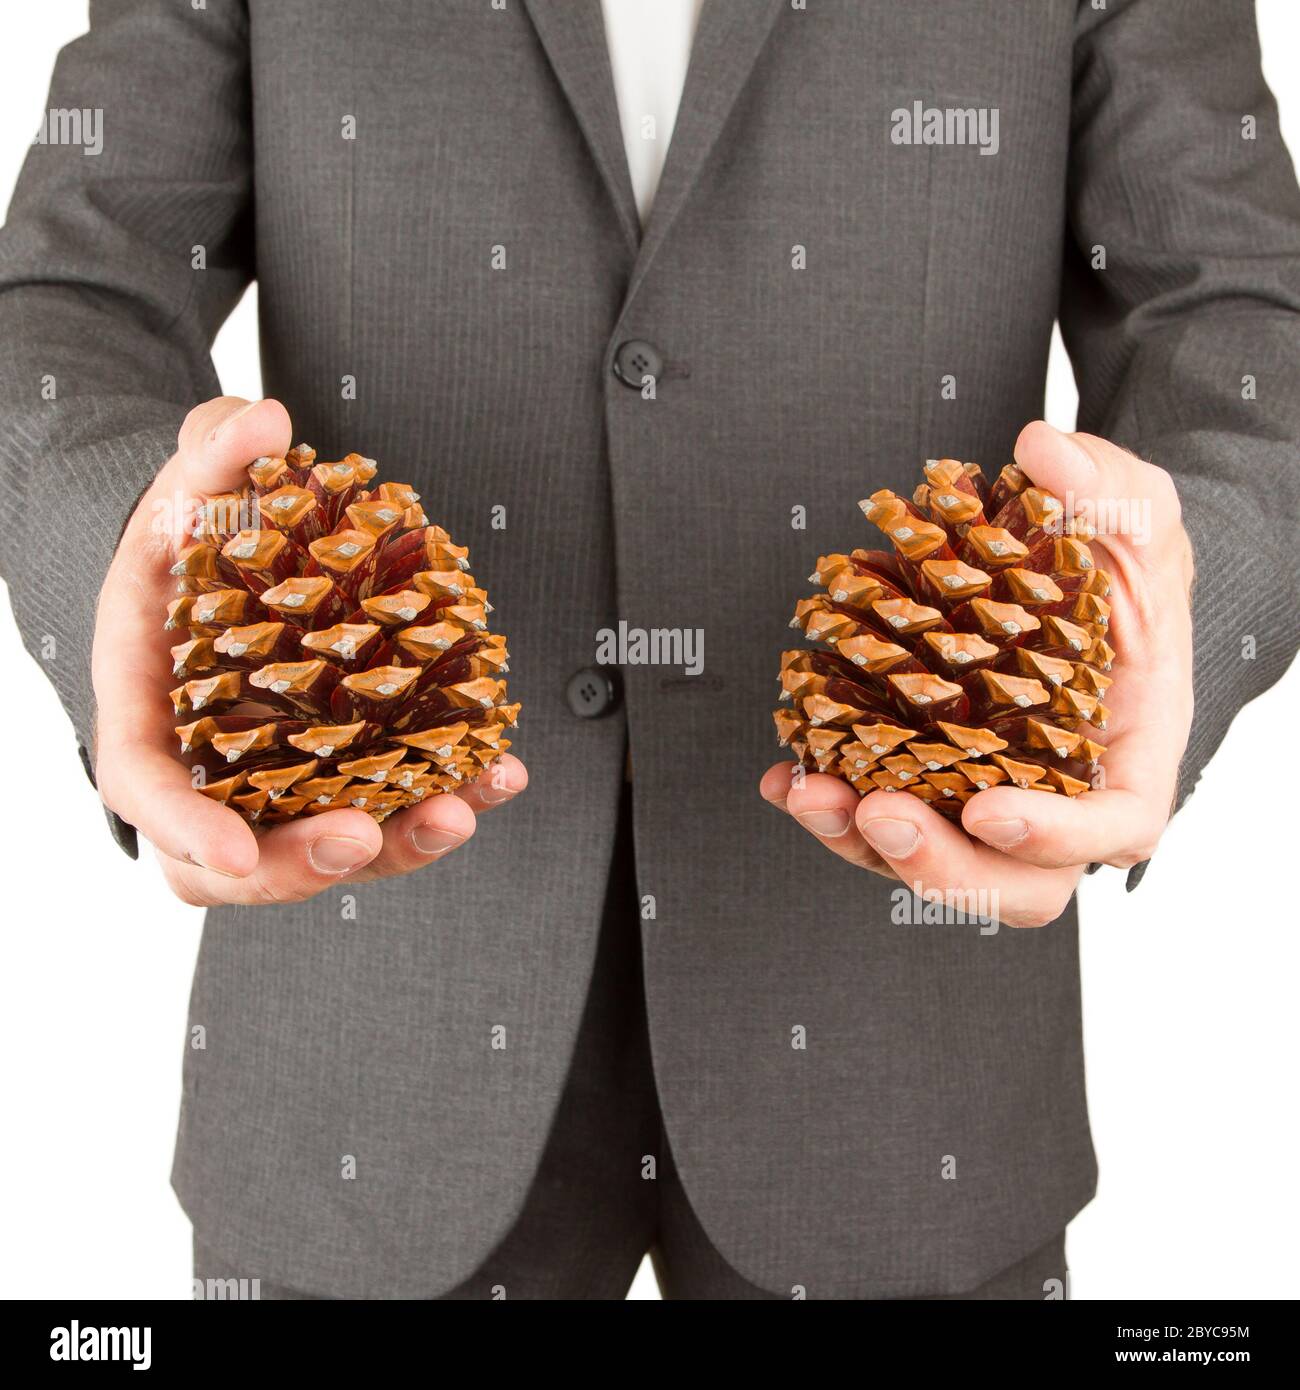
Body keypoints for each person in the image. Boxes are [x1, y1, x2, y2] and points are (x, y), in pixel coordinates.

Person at [0, 0, 1296, 1300]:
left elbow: (1240, 309)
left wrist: (1172, 593)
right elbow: (71, 292)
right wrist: (122, 549)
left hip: (901, 1058)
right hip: (365, 1036)